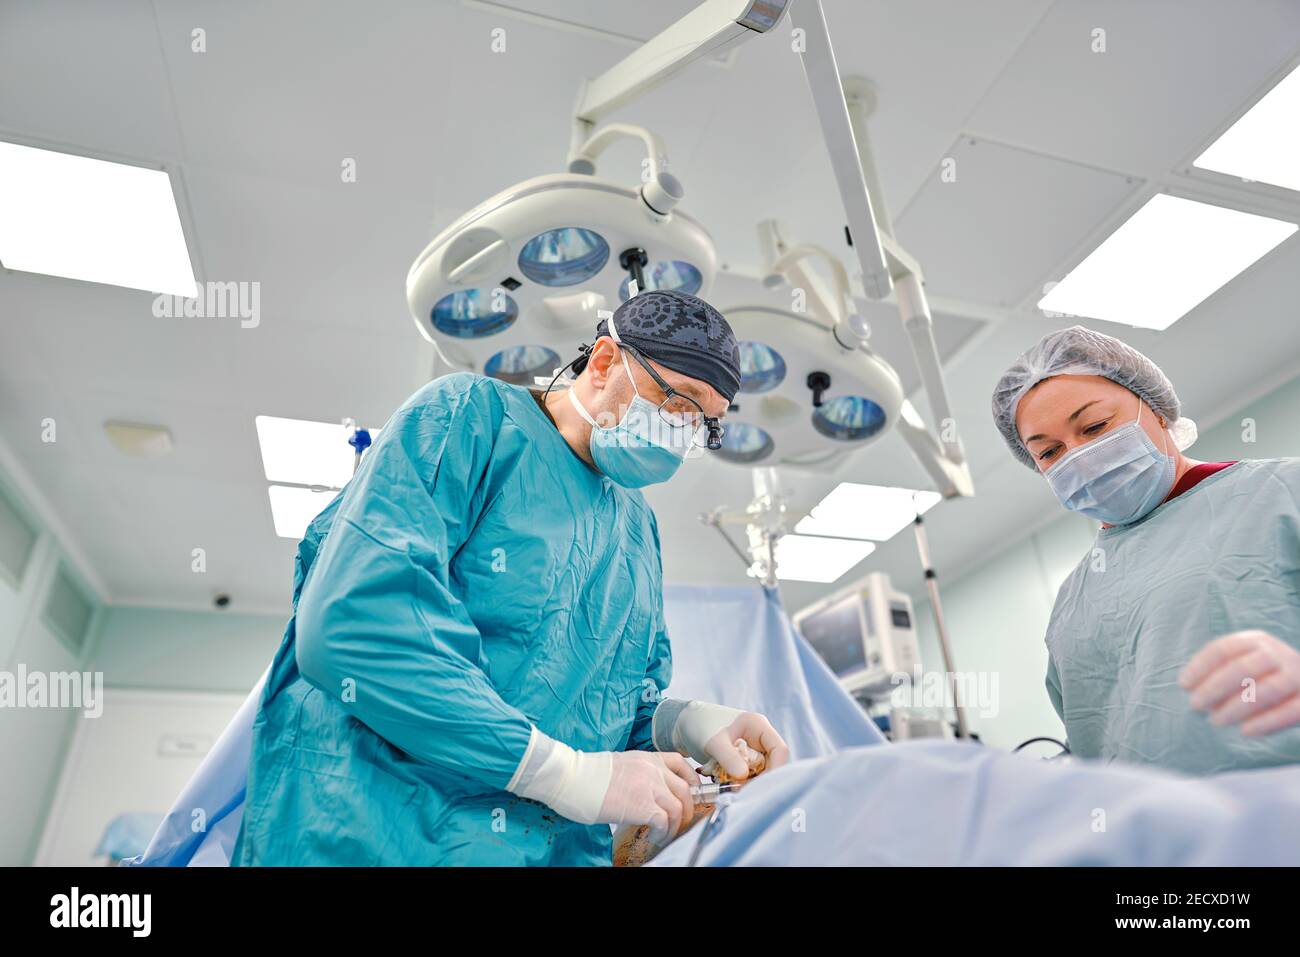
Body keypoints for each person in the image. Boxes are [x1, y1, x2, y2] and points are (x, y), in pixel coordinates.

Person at [232, 290, 789, 865]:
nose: (684, 432)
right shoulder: (469, 420)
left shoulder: (636, 526)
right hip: (372, 835)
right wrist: (567, 775)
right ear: (603, 363)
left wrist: (683, 725)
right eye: (677, 401)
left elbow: (602, 710)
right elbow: (357, 630)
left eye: (705, 424)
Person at [991, 325, 1300, 774]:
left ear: (1155, 411)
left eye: (1095, 426)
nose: (1079, 455)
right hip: (1157, 838)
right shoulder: (1072, 605)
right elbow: (1100, 745)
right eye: (1050, 452)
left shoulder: (1283, 493)